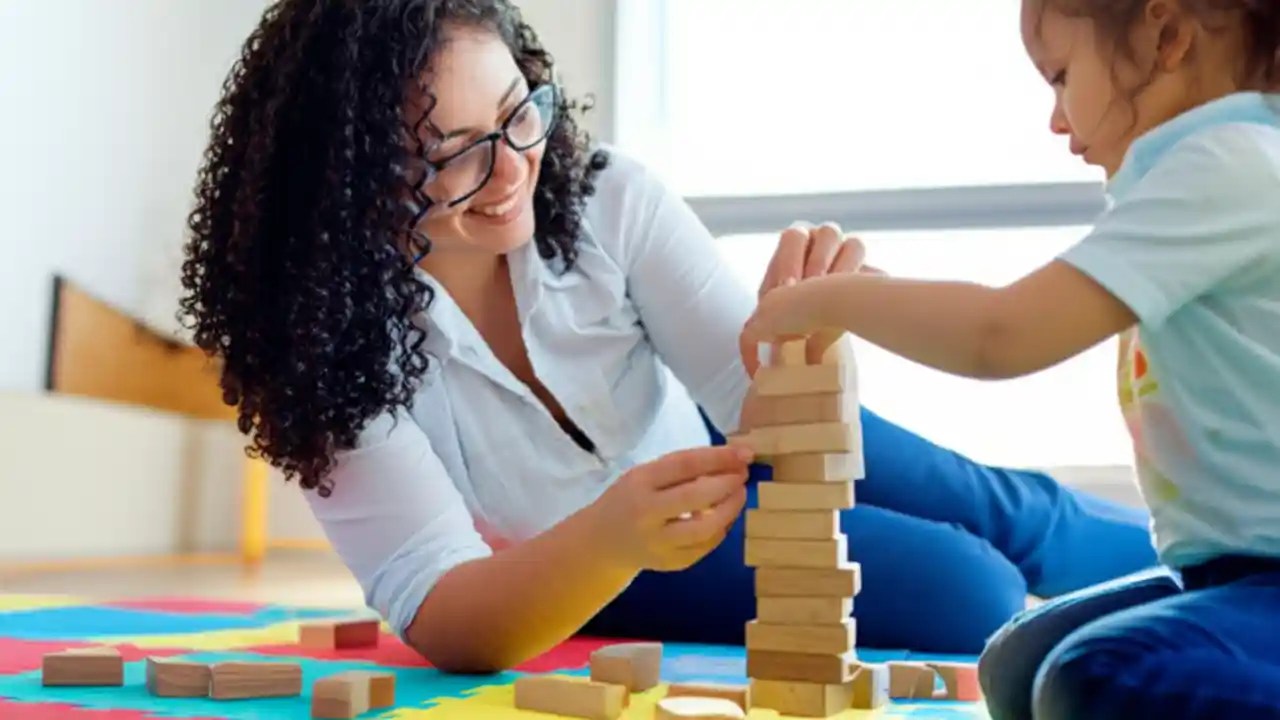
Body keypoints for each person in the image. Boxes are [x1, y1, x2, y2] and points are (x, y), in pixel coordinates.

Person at [177, 0, 1156, 674]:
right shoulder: (312, 349)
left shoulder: (606, 197)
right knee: (968, 587)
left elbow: (761, 417)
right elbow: (444, 610)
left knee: (1007, 511)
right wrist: (611, 538)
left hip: (720, 451)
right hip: (587, 565)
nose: (512, 167)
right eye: (452, 158)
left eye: (518, 115)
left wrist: (802, 352)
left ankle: (1240, 565)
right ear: (348, 187)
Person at [741, 0, 1280, 718]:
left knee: (1092, 676)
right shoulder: (1212, 167)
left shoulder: (1227, 165)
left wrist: (829, 303)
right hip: (1227, 572)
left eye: (1060, 77)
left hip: (1263, 576)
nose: (1056, 120)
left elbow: (1002, 335)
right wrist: (866, 297)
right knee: (1017, 662)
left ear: (1169, 35)